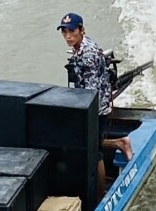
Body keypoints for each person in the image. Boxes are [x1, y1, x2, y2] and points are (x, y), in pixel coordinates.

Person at [57, 12, 134, 182]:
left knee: (94, 152)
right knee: (86, 143)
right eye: (64, 33)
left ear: (82, 30)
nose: (68, 37)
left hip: (96, 110)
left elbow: (92, 94)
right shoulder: (79, 48)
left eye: (72, 32)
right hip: (87, 104)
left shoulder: (88, 54)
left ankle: (98, 196)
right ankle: (120, 143)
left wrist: (82, 115)